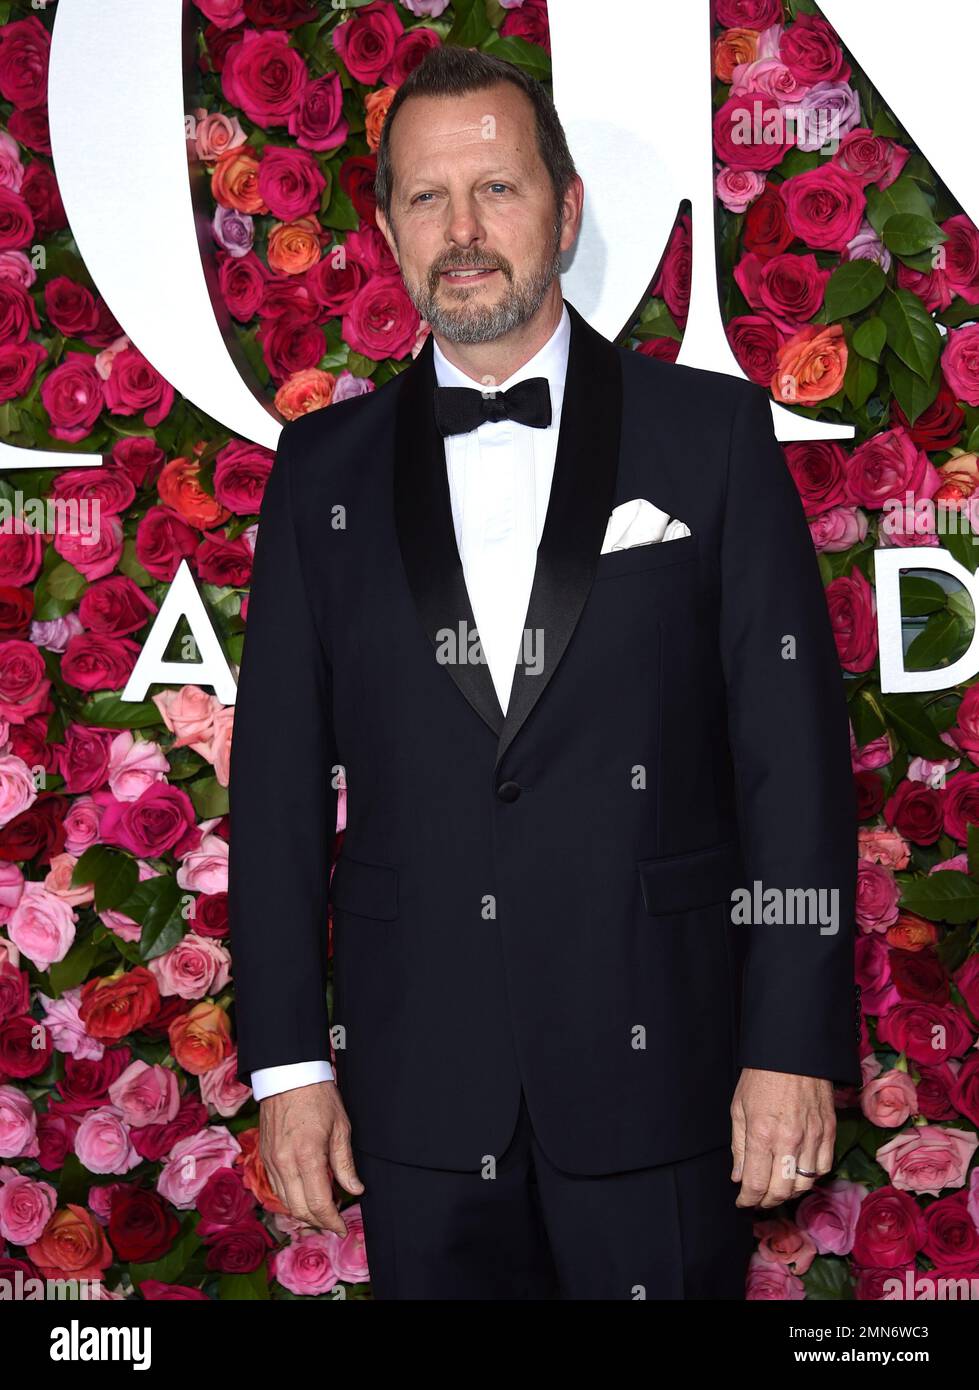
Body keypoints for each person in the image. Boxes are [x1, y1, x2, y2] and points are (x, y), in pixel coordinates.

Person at [227, 46, 861, 1301]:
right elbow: (278, 786)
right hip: (418, 1089)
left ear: (566, 212)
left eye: (497, 189)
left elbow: (791, 764)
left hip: (665, 1074)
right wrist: (289, 1065)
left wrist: (789, 1042)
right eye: (426, 196)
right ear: (388, 232)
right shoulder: (321, 473)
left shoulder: (710, 438)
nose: (462, 230)